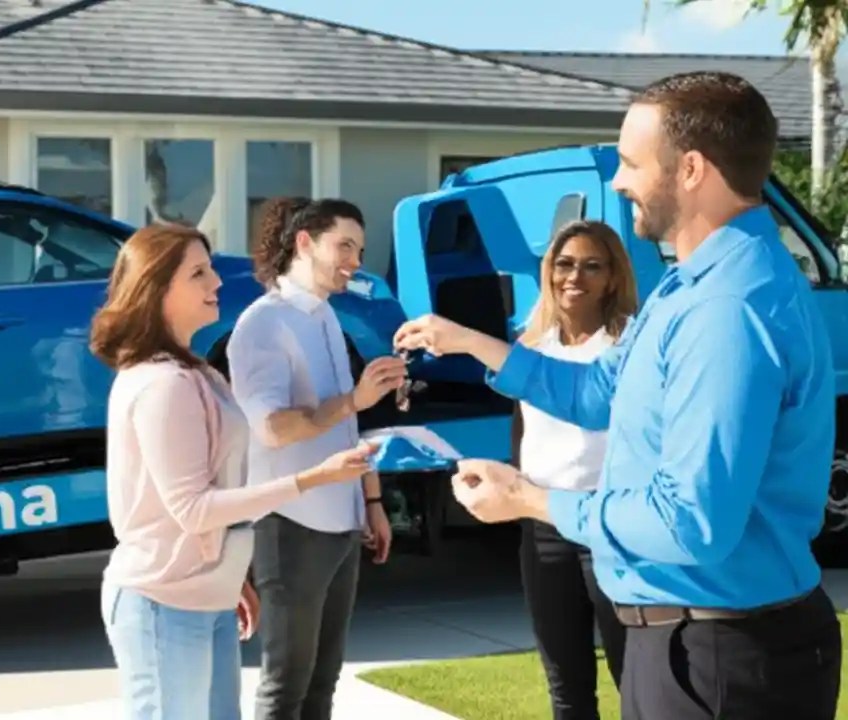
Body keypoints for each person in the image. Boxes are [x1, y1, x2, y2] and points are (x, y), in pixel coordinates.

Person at [394, 71, 842, 720]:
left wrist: (531, 499)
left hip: (720, 661)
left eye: (632, 162)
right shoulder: (688, 286)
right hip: (693, 647)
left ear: (690, 169)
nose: (620, 180)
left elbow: (691, 521)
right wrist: (471, 341)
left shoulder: (725, 308)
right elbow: (598, 393)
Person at [89, 222, 380, 720]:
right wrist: (312, 478)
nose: (217, 283)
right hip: (162, 603)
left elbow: (217, 480)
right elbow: (192, 509)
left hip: (206, 598)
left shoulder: (196, 372)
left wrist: (229, 579)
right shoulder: (162, 384)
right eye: (198, 274)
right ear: (157, 289)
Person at [227, 197, 407, 720]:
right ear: (304, 242)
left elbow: (347, 425)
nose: (355, 259)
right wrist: (355, 398)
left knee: (323, 684)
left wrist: (371, 500)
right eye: (343, 246)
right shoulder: (263, 324)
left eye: (360, 248)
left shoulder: (326, 314)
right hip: (291, 523)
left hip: (343, 521)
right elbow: (273, 427)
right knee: (286, 686)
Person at [512, 220, 637, 720]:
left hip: (610, 527)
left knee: (637, 679)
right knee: (566, 686)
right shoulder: (530, 346)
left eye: (591, 265)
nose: (574, 276)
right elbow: (521, 432)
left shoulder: (627, 343)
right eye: (564, 264)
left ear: (612, 277)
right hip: (543, 528)